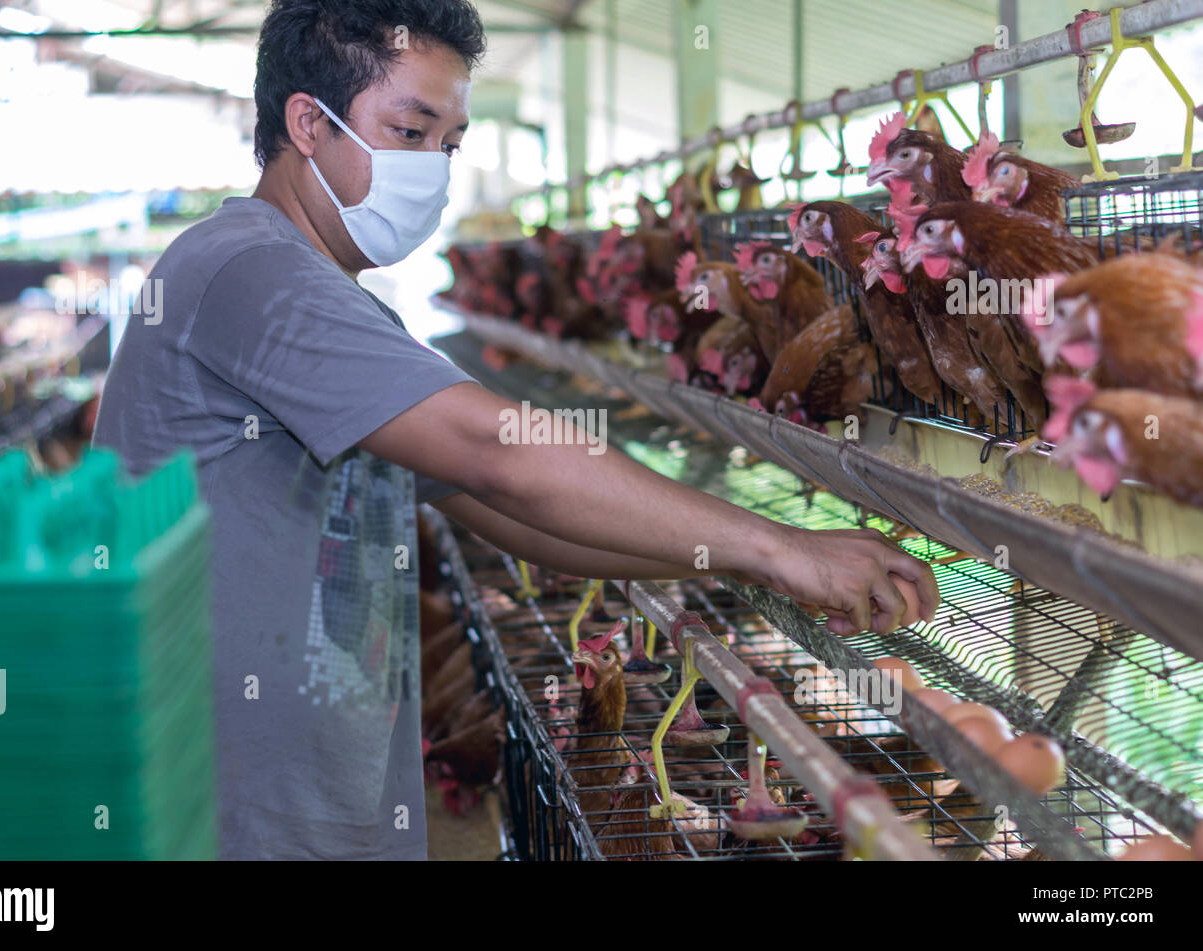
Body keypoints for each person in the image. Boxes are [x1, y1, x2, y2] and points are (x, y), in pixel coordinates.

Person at [93, 0, 938, 860]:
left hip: (307, 798)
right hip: (230, 816)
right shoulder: (252, 269)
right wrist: (778, 545)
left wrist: (743, 557)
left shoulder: (329, 295)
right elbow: (496, 454)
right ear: (308, 123)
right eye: (411, 132)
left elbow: (520, 518)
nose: (435, 169)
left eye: (450, 143)